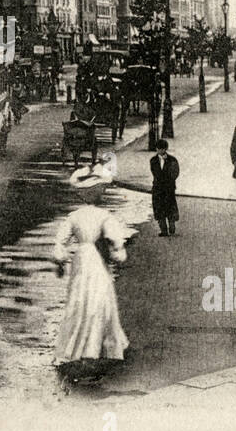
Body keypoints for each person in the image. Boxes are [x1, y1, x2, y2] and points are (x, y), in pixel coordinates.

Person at [53, 163, 132, 381]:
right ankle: (97, 345)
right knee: (101, 300)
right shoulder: (104, 216)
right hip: (97, 261)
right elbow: (116, 242)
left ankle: (73, 346)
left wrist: (60, 260)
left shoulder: (74, 216)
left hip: (80, 259)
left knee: (78, 301)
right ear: (99, 193)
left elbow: (60, 242)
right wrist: (118, 256)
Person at [150, 139, 180, 237]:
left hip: (168, 188)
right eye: (158, 149)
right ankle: (163, 230)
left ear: (165, 149)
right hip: (158, 188)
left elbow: (176, 172)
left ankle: (171, 225)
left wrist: (169, 181)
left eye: (162, 149)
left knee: (169, 206)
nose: (160, 151)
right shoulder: (153, 160)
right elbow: (155, 173)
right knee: (159, 208)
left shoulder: (172, 160)